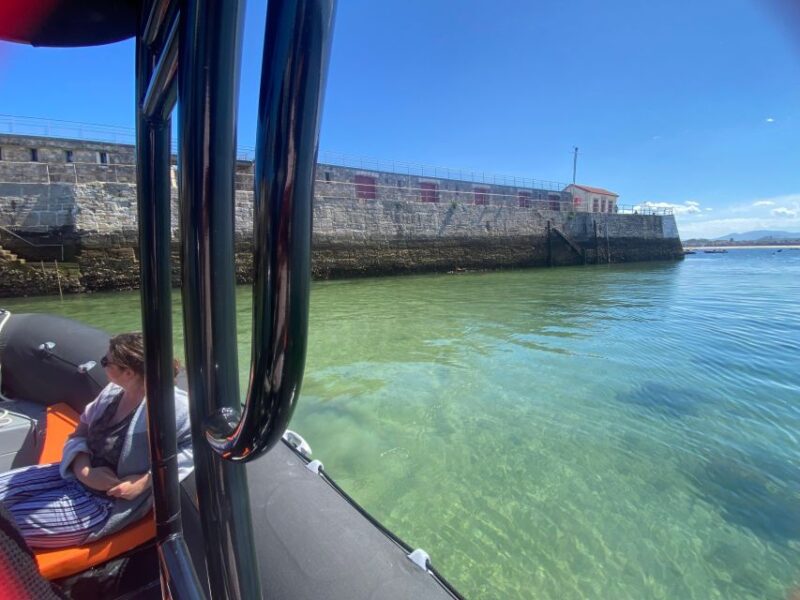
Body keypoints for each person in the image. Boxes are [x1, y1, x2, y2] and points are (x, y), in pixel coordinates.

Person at [0, 332, 193, 549]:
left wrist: (144, 482)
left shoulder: (174, 407)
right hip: (71, 475)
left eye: (105, 362)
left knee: (5, 527)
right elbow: (79, 432)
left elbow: (194, 448)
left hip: (104, 504)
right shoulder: (112, 392)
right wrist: (85, 471)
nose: (102, 365)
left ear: (128, 372)